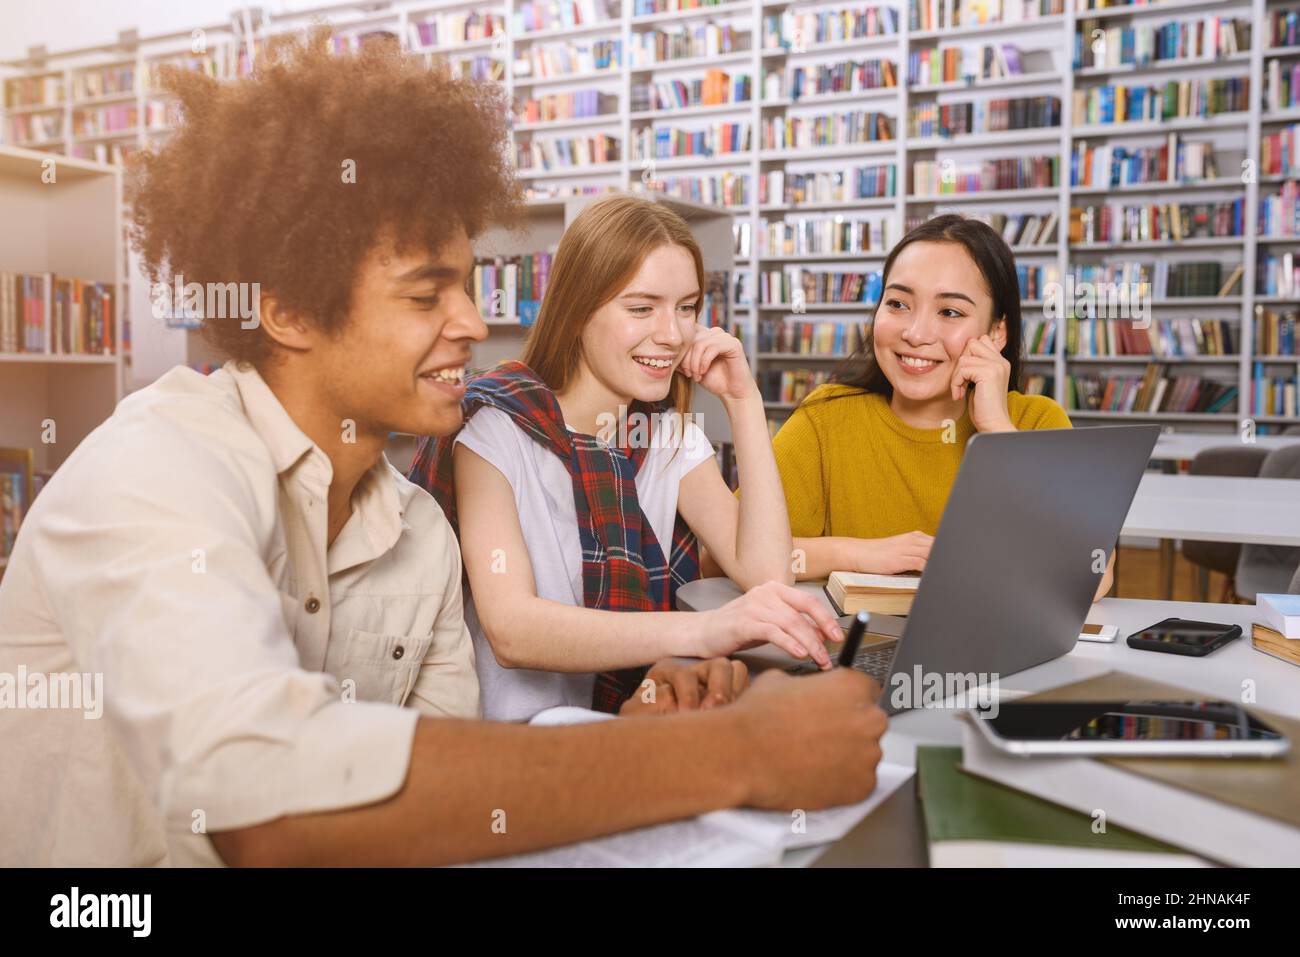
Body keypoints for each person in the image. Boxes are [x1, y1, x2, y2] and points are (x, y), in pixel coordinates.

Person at [0, 30, 886, 867]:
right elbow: (265, 808)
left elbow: (444, 809)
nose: (472, 323)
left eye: (467, 285)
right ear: (289, 311)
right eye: (428, 296)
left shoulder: (419, 532)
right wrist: (729, 755)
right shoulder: (156, 471)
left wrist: (652, 724)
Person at [410, 195, 842, 721]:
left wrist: (744, 402)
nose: (672, 334)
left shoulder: (668, 438)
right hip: (515, 748)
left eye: (687, 308)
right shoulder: (495, 427)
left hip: (623, 728)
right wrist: (708, 629)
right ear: (577, 310)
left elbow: (767, 572)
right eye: (641, 308)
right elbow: (513, 629)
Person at [761, 214, 1114, 596]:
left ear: (997, 333)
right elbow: (730, 555)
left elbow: (1088, 576)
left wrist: (999, 434)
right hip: (848, 650)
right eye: (897, 303)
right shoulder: (826, 417)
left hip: (992, 654)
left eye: (949, 312)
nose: (915, 334)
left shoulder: (1033, 422)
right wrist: (859, 555)